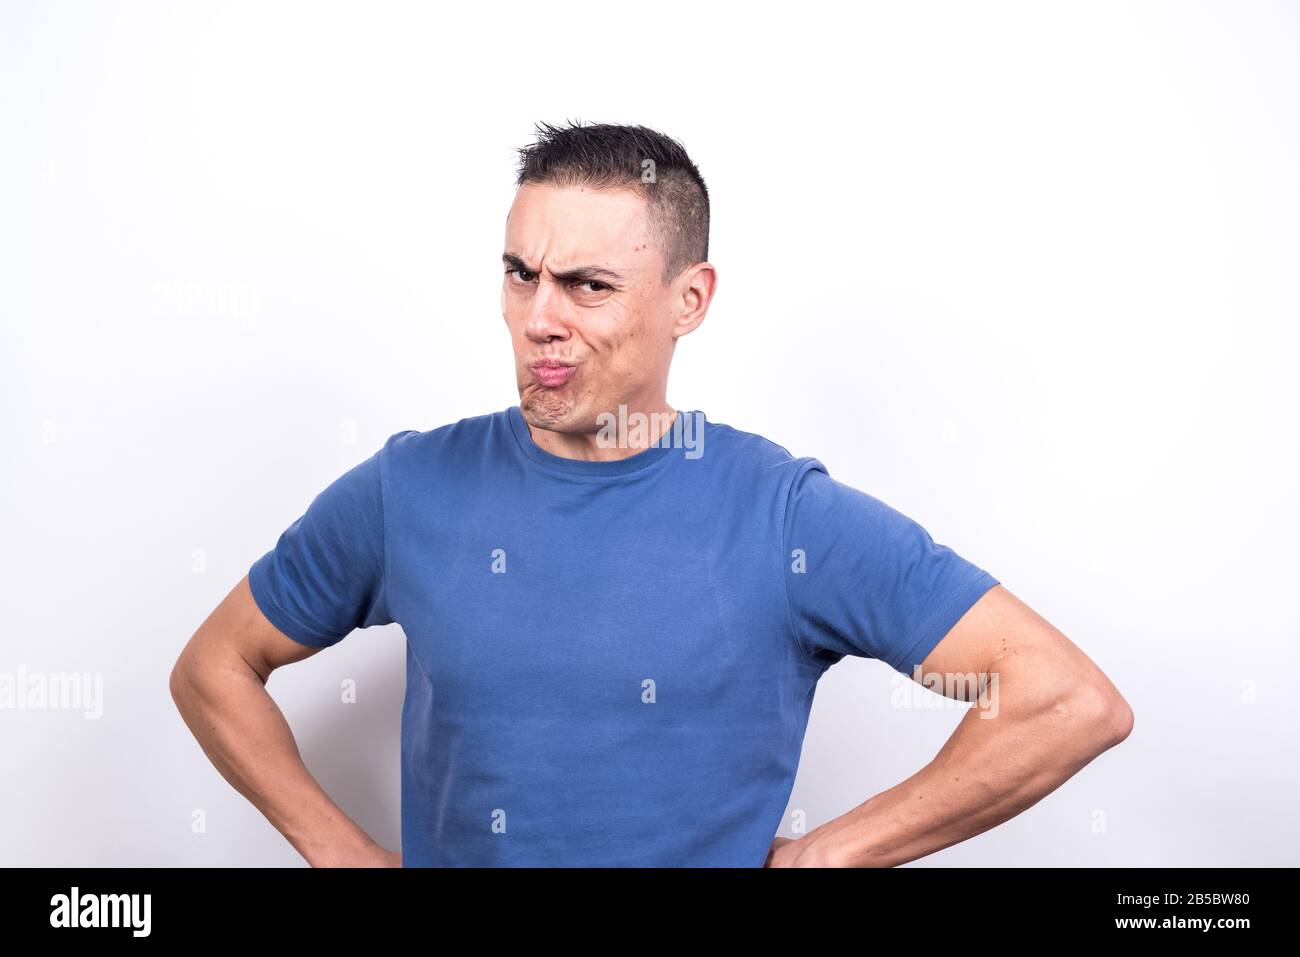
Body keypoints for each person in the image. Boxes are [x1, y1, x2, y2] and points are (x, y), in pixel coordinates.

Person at [169, 121, 1133, 867]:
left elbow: (1062, 697)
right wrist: (339, 850)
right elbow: (215, 666)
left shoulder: (780, 514)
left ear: (690, 300)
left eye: (587, 286)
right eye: (520, 275)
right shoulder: (407, 488)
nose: (540, 319)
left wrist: (845, 847)